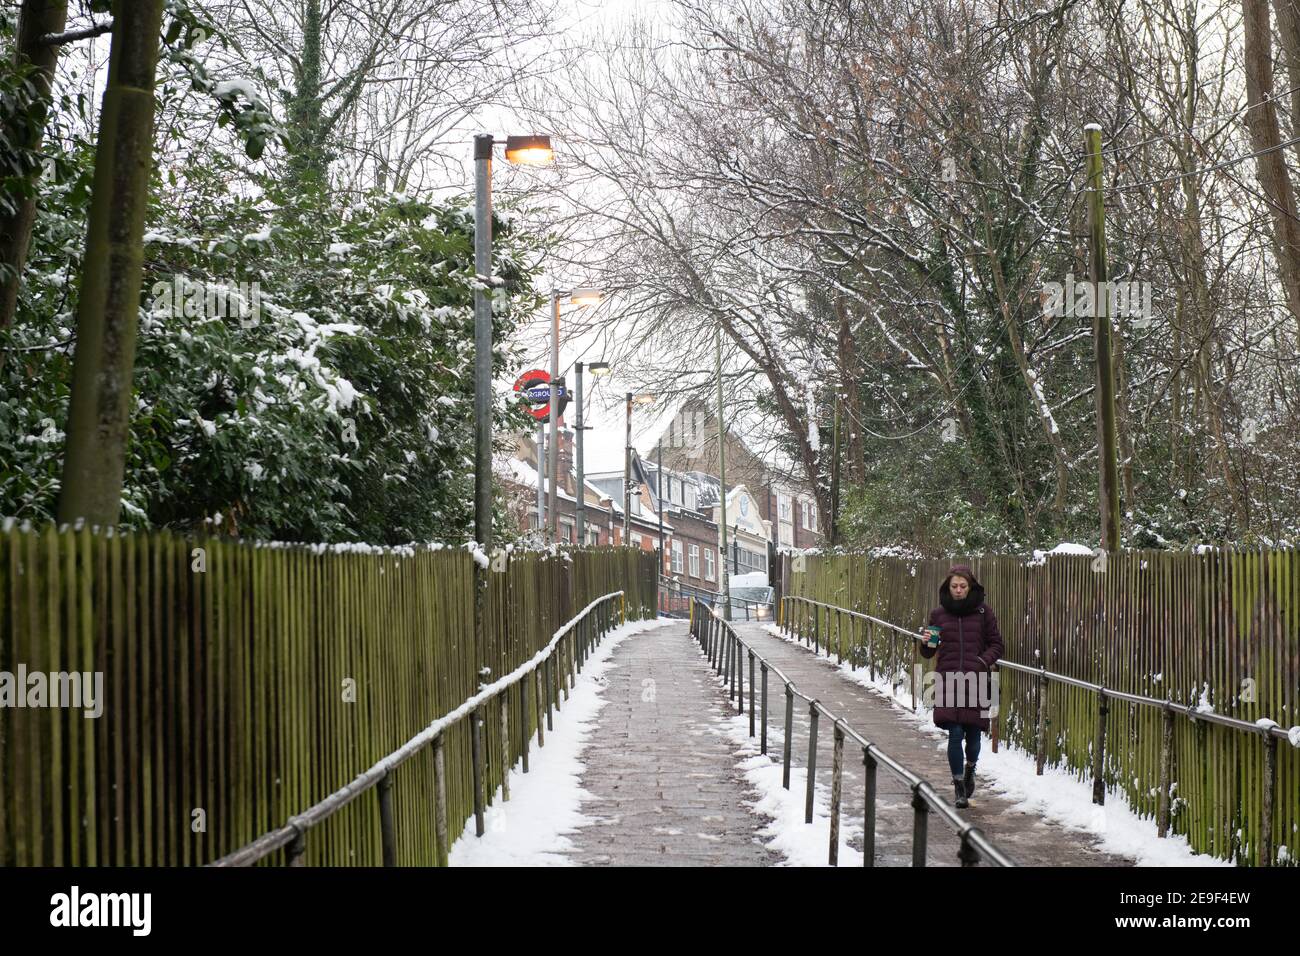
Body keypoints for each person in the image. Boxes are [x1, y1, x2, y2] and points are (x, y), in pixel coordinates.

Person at [919, 565, 1003, 809]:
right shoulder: (938, 615)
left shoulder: (983, 613)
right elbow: (928, 651)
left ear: (970, 587)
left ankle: (970, 769)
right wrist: (926, 643)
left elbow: (997, 645)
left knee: (974, 733)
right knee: (955, 733)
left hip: (976, 679)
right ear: (948, 587)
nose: (958, 590)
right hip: (948, 679)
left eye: (963, 586)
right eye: (954, 586)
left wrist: (981, 661)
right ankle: (958, 786)